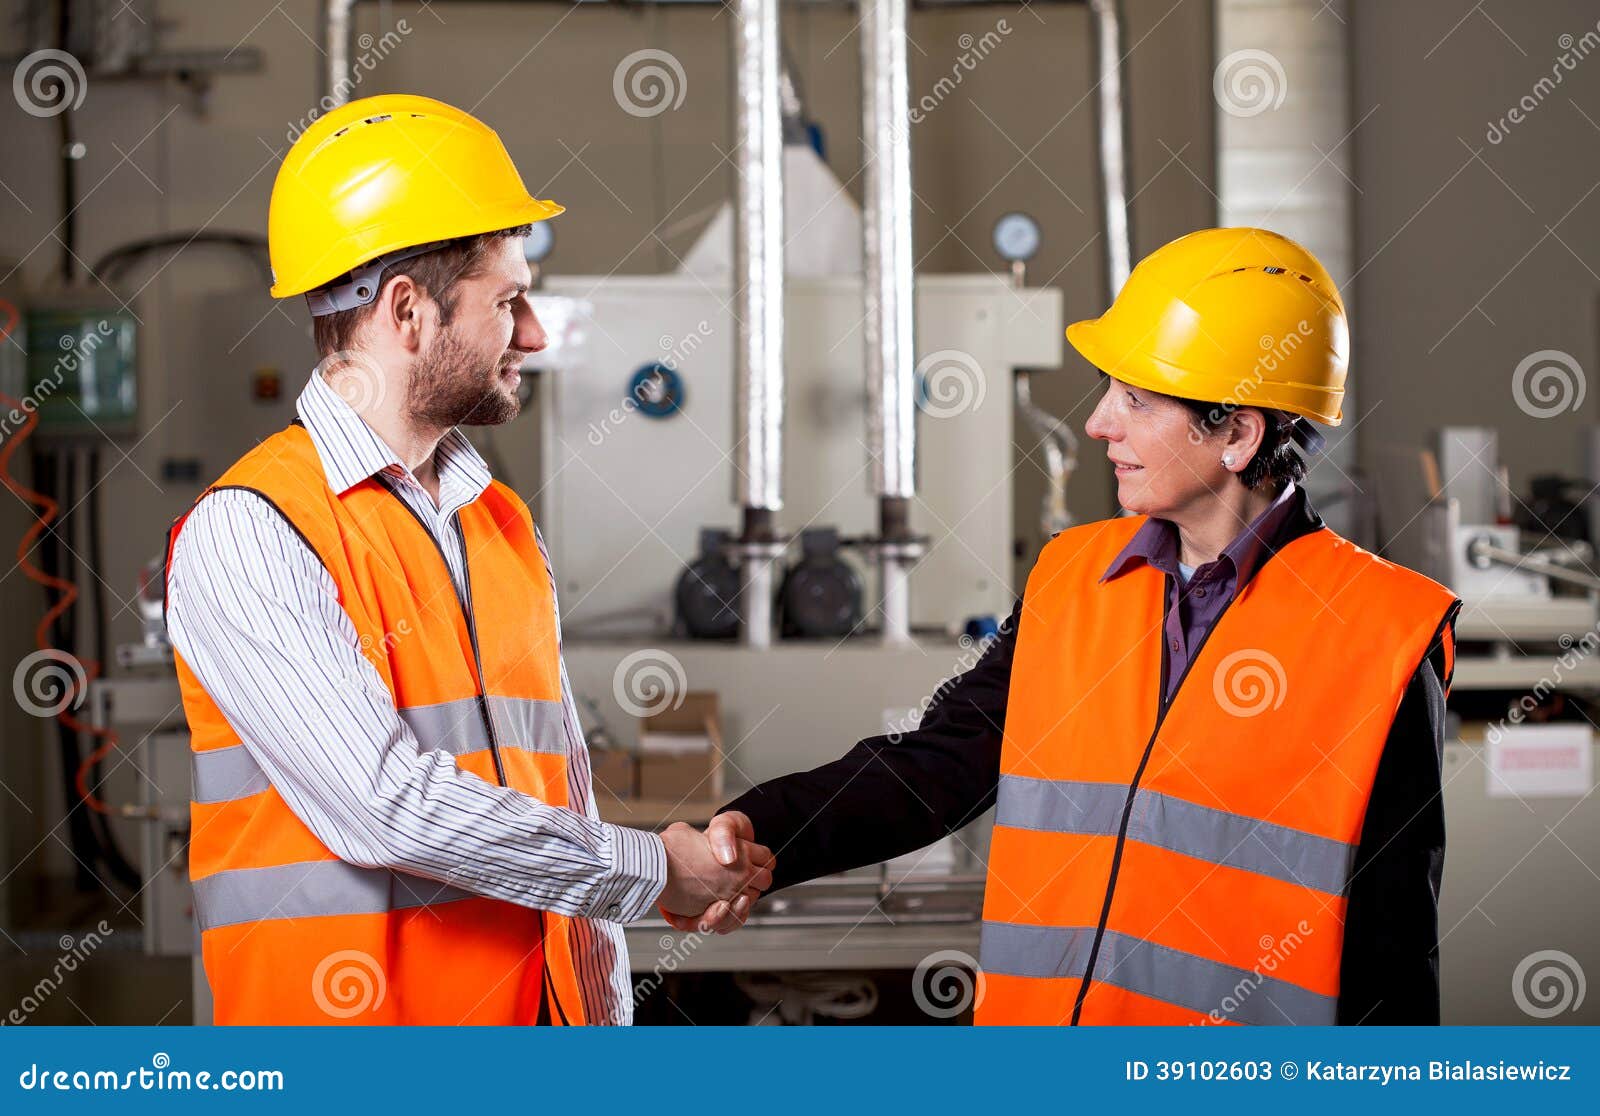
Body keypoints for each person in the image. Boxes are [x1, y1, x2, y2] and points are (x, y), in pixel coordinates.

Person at [685, 228, 1461, 1026]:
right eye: (1109, 390)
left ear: (1237, 433)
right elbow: (939, 766)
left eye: (1138, 400)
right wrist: (765, 832)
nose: (1097, 424)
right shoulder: (1074, 579)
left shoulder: (1378, 632)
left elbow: (1391, 949)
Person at [165, 94, 771, 1025]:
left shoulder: (496, 522)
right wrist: (657, 871)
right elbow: (385, 806)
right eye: (508, 302)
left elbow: (558, 787)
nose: (531, 337)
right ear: (407, 313)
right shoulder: (253, 530)